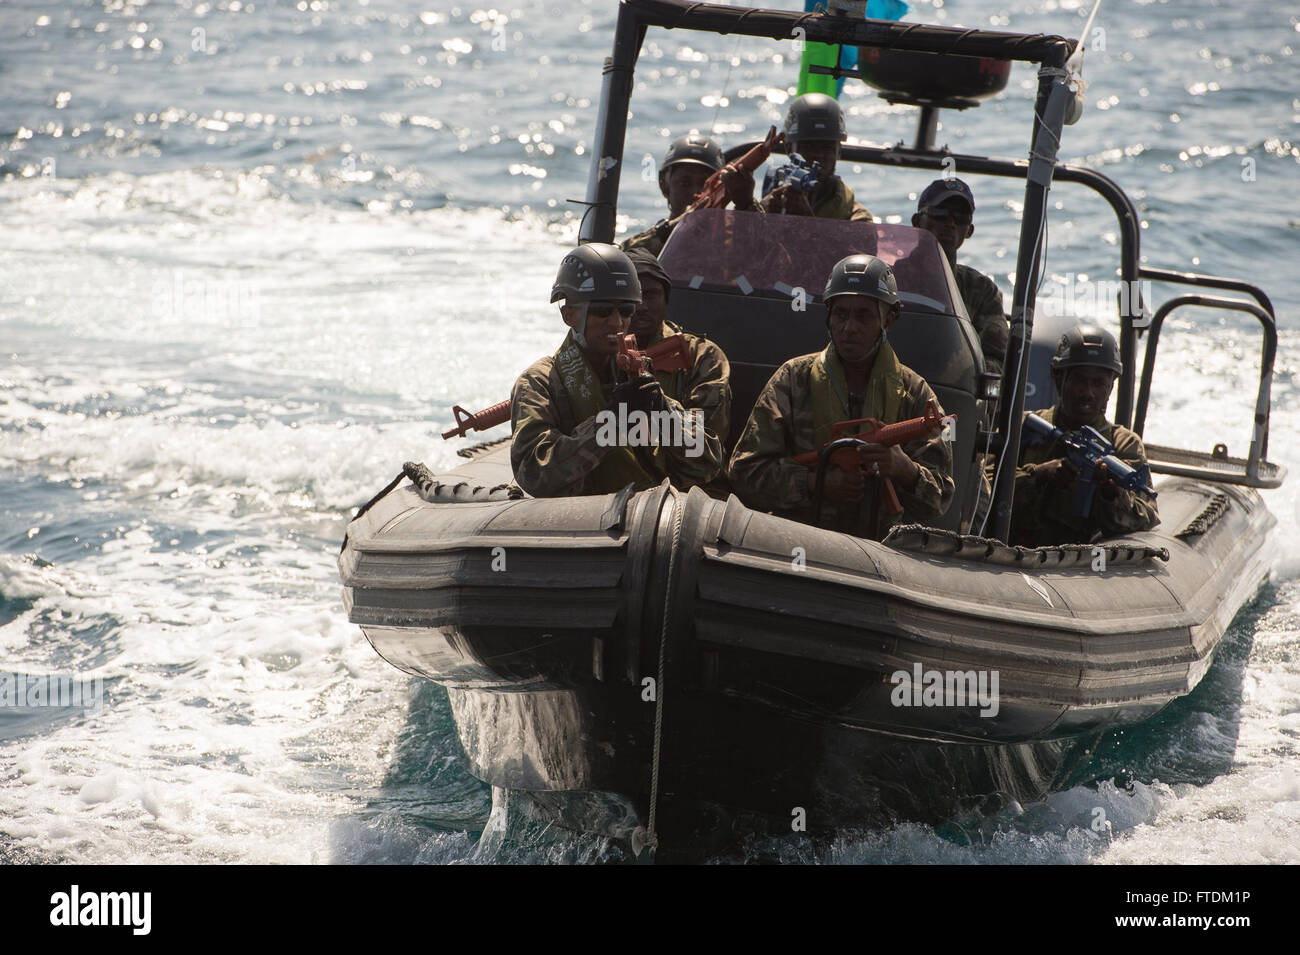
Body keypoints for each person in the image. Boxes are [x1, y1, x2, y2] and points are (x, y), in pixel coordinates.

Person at [729, 254, 953, 541]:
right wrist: (815, 483)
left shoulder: (914, 393)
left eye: (864, 316)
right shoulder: (792, 380)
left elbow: (939, 501)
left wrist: (904, 469)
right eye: (841, 314)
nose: (849, 328)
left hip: (881, 553)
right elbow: (744, 472)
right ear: (829, 316)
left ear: (889, 319)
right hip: (799, 543)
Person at [510, 243, 725, 497]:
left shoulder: (635, 373)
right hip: (580, 522)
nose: (617, 322)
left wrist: (663, 412)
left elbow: (706, 464)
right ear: (569, 315)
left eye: (626, 310)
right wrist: (609, 424)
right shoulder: (541, 382)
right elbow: (533, 473)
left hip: (651, 516)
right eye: (602, 311)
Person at [1001, 324, 1159, 546]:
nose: (1088, 393)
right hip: (1012, 553)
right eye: (1080, 380)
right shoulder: (1025, 426)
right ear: (1058, 378)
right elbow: (985, 490)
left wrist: (1112, 494)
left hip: (1081, 566)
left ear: (1110, 389)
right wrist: (1038, 475)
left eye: (1098, 383)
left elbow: (1146, 515)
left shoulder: (1123, 444)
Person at [624, 246, 732, 459]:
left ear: (666, 300)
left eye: (652, 295)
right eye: (633, 296)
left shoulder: (702, 356)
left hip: (685, 484)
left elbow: (706, 447)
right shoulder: (599, 352)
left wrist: (659, 404)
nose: (643, 306)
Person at [911, 178, 1009, 376]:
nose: (950, 223)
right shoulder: (889, 278)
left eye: (961, 217)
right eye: (940, 213)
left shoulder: (981, 291)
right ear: (917, 221)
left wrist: (967, 368)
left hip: (955, 392)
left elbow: (997, 359)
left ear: (969, 230)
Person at [622, 133, 754, 256]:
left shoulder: (733, 242)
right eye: (684, 184)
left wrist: (746, 204)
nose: (695, 193)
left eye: (705, 184)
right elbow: (622, 259)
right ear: (664, 186)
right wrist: (677, 227)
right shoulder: (650, 246)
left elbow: (764, 258)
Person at [758, 93, 874, 222]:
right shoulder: (773, 199)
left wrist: (807, 220)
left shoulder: (856, 216)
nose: (818, 155)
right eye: (808, 147)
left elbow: (859, 242)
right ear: (789, 149)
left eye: (827, 147)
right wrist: (747, 204)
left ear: (838, 152)